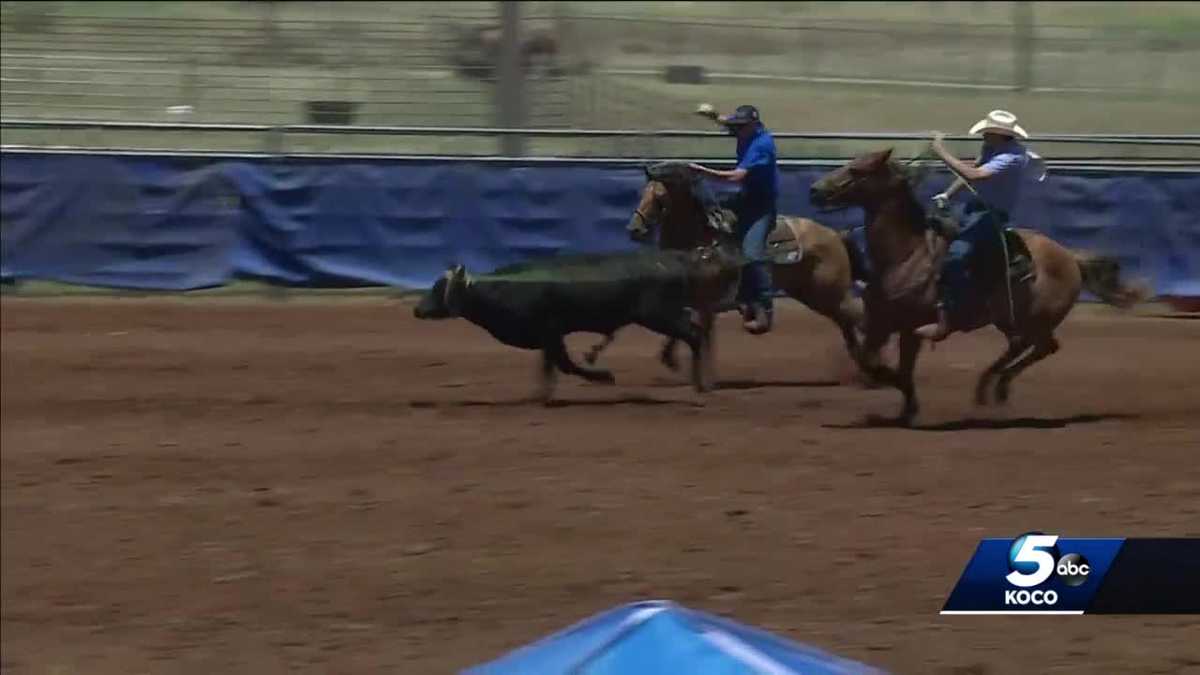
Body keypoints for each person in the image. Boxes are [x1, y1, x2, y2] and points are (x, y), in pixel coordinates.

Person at [916, 109, 1039, 342]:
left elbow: (975, 175)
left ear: (999, 135)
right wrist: (947, 194)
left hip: (992, 216)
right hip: (974, 208)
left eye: (987, 132)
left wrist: (940, 151)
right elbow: (974, 168)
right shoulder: (992, 148)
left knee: (956, 256)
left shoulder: (1012, 157)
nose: (982, 135)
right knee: (931, 235)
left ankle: (955, 315)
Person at [688, 104, 779, 335]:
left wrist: (702, 170)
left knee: (751, 253)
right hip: (745, 198)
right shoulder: (745, 130)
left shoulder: (763, 144)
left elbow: (736, 176)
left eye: (741, 126)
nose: (737, 129)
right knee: (709, 213)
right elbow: (727, 122)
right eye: (736, 125)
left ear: (753, 125)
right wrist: (713, 116)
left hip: (762, 206)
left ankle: (765, 307)